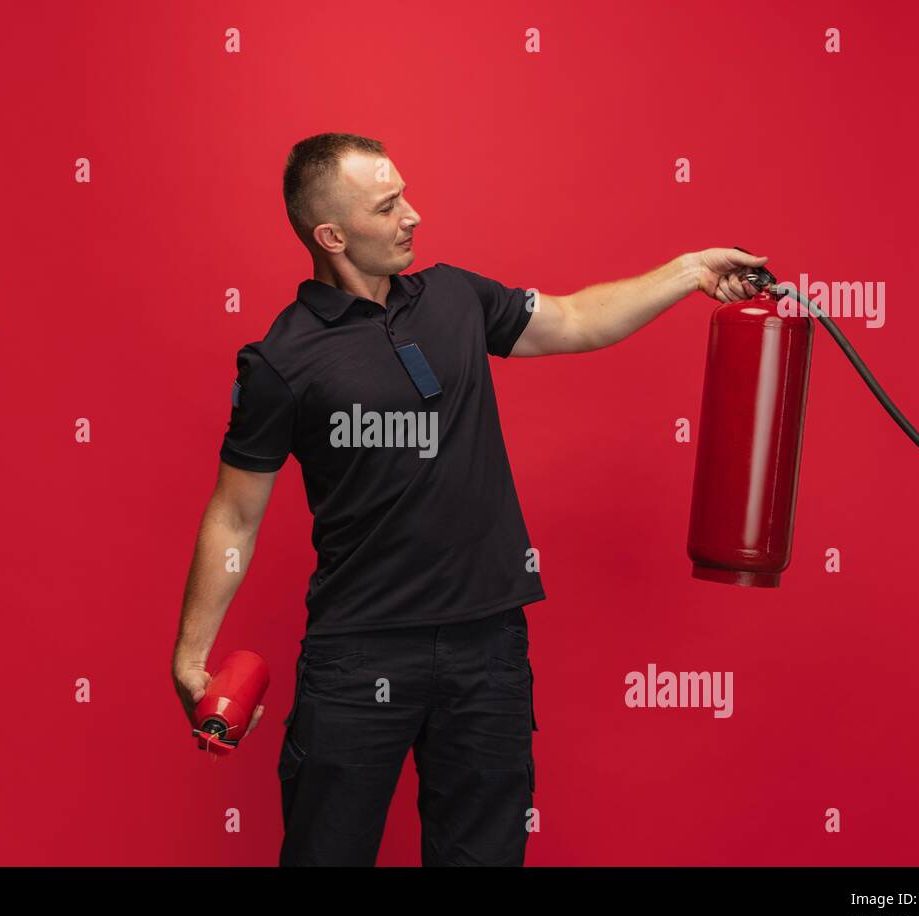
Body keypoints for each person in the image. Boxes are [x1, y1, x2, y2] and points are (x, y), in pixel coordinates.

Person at [172, 132, 768, 866]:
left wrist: (689, 270)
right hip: (358, 655)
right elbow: (235, 513)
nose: (413, 215)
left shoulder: (455, 297)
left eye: (405, 195)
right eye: (388, 207)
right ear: (331, 236)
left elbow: (577, 319)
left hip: (488, 649)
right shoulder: (281, 360)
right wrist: (191, 653)